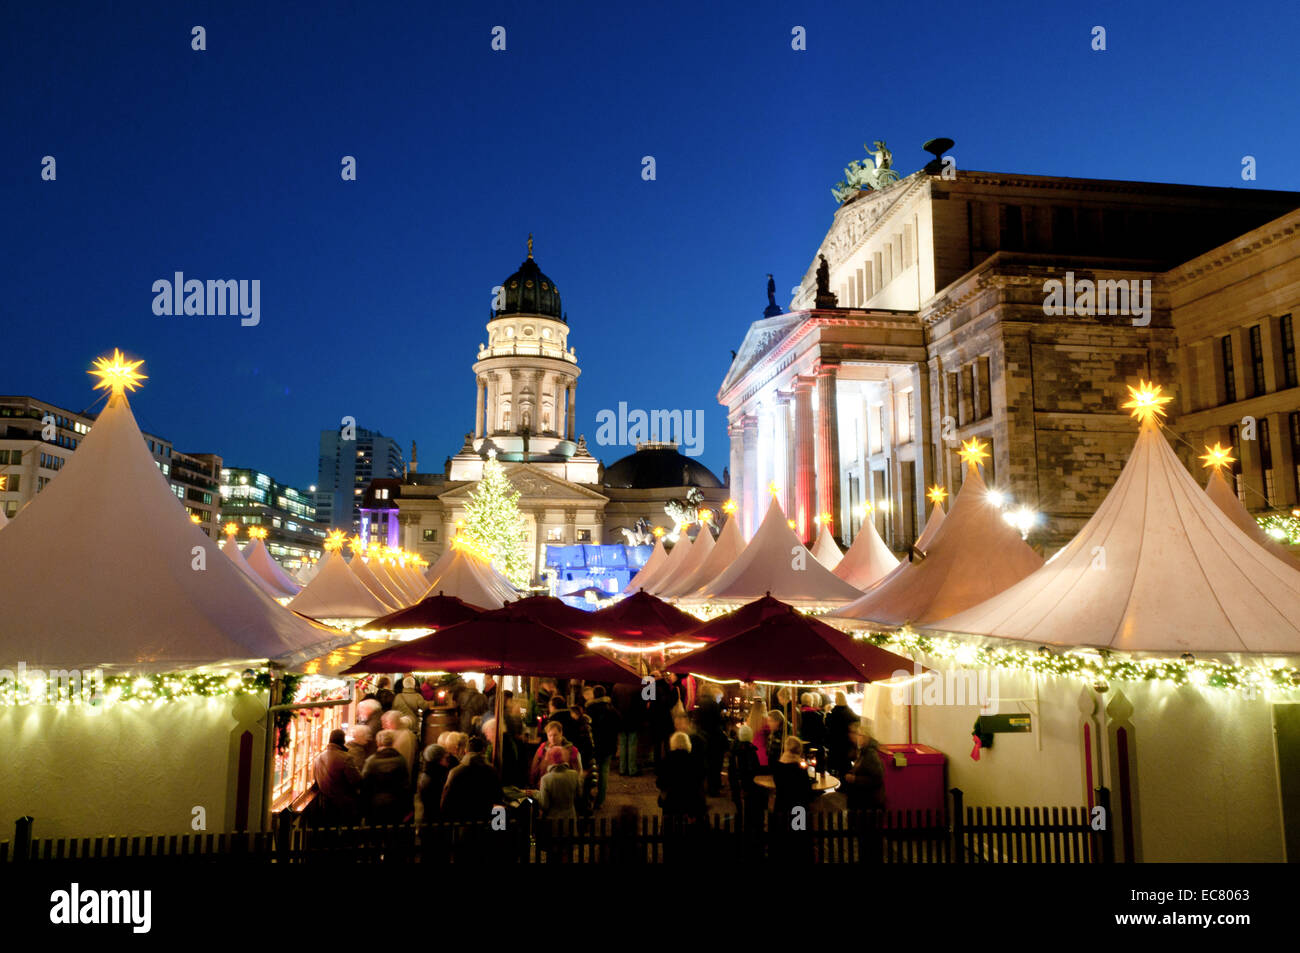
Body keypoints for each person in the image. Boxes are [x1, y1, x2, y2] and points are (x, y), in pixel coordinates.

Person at [440, 736, 503, 823]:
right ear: (483, 750)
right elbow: (498, 797)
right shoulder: (491, 771)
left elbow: (446, 800)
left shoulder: (455, 772)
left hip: (461, 821)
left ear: (465, 751)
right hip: (484, 819)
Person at [312, 729, 361, 826]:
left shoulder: (318, 758)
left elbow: (316, 780)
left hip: (325, 804)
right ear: (343, 741)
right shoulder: (346, 758)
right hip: (345, 804)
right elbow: (356, 780)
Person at [361, 729, 410, 825]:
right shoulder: (401, 760)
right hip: (396, 803)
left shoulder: (371, 761)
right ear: (393, 741)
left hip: (375, 804)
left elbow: (365, 785)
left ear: (378, 742)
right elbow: (405, 785)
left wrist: (363, 808)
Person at [656, 731, 706, 822]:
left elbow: (660, 783)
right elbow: (700, 780)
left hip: (671, 802)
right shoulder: (694, 761)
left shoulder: (667, 760)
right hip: (690, 802)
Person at [586, 685, 620, 809]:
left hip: (594, 745)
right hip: (609, 745)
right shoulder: (611, 708)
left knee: (590, 770)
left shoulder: (590, 709)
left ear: (594, 694)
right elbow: (618, 724)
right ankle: (600, 800)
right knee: (604, 772)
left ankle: (588, 796)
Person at [727, 724, 766, 833]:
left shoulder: (734, 750)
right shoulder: (750, 751)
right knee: (749, 808)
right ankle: (749, 828)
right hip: (748, 784)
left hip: (737, 784)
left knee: (739, 809)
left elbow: (732, 769)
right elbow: (753, 769)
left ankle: (740, 827)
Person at [771, 735, 814, 827]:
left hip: (781, 806)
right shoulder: (800, 768)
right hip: (798, 808)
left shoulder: (778, 767)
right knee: (798, 836)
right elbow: (807, 789)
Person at [843, 722, 885, 813]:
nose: (856, 737)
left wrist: (855, 779)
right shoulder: (863, 751)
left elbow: (877, 778)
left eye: (859, 735)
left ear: (866, 737)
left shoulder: (870, 754)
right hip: (863, 801)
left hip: (868, 803)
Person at [695, 684, 727, 797]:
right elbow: (717, 721)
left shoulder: (701, 702)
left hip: (704, 737)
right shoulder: (713, 704)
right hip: (714, 738)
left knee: (708, 763)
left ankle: (708, 787)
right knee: (715, 765)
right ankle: (714, 788)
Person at [529, 720, 583, 785]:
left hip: (564, 786)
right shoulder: (542, 749)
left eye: (555, 735)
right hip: (544, 785)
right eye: (550, 735)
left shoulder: (572, 750)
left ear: (561, 733)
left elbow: (578, 774)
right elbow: (534, 769)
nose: (552, 738)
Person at [536, 745, 581, 822]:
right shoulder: (574, 775)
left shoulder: (546, 779)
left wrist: (536, 794)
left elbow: (544, 805)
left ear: (550, 760)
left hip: (552, 822)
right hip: (571, 819)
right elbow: (578, 796)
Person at [611, 677, 646, 777]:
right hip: (633, 720)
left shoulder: (616, 686)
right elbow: (642, 704)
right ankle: (632, 769)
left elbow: (613, 704)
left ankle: (622, 769)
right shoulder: (638, 686)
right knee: (632, 745)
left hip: (620, 720)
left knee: (622, 745)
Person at [825, 691, 860, 778]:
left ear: (836, 700)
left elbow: (828, 728)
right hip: (847, 746)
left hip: (836, 746)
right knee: (845, 768)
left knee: (835, 769)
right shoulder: (850, 713)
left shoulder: (834, 714)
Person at [417, 743, 451, 823]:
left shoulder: (427, 774)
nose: (447, 761)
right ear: (439, 759)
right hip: (434, 821)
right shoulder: (436, 777)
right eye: (445, 758)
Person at [381, 710, 418, 777]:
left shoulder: (401, 736)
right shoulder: (406, 733)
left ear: (393, 723)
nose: (383, 727)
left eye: (385, 723)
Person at [798, 692, 826, 765]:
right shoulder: (817, 715)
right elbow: (822, 731)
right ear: (811, 702)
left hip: (802, 743)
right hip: (815, 743)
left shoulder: (798, 714)